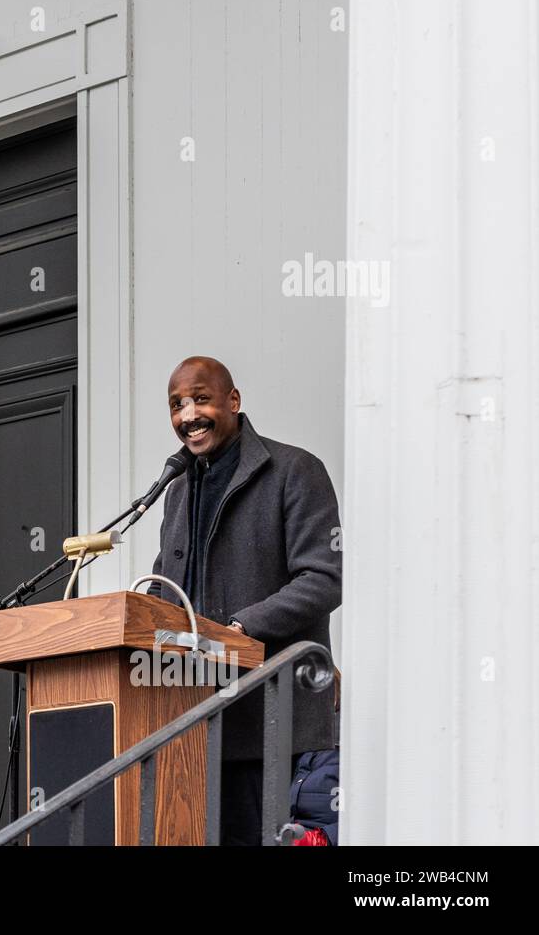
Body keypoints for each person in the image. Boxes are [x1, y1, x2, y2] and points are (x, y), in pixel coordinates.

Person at [147, 356, 341, 845]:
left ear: (233, 401)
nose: (187, 415)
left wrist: (239, 627)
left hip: (275, 729)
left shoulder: (295, 470)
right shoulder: (176, 493)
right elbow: (164, 588)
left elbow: (324, 577)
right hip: (191, 730)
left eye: (200, 398)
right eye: (176, 405)